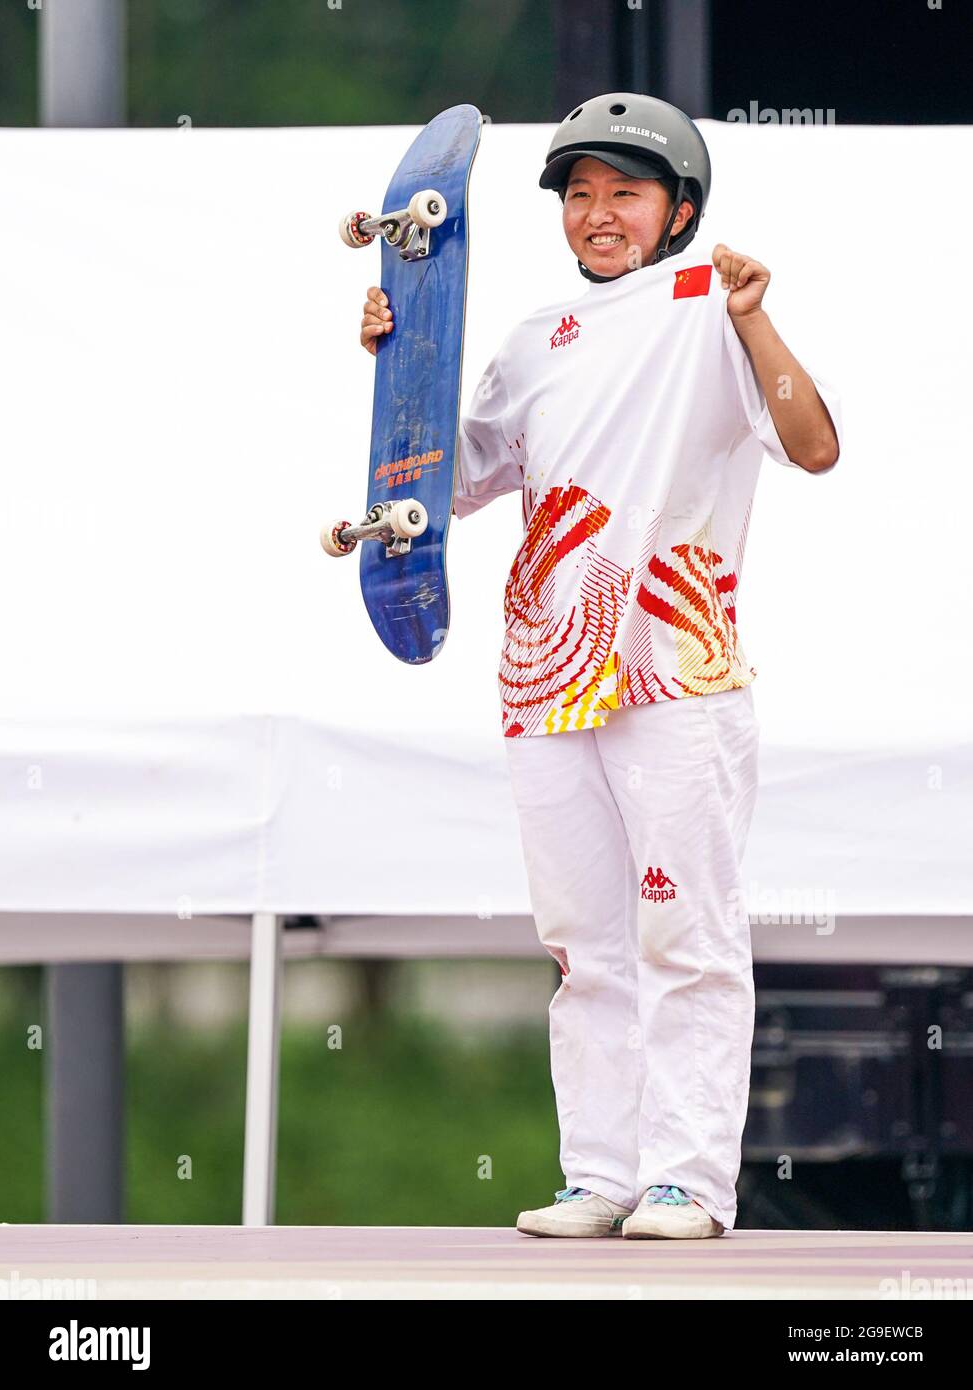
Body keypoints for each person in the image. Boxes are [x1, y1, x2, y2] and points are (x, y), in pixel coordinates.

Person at [359, 91, 842, 1239]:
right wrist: (396, 365)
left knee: (688, 935)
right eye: (578, 194)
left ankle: (685, 1181)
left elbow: (814, 445)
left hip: (675, 667)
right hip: (542, 678)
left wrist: (754, 320)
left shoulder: (707, 307)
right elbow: (440, 485)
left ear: (678, 208)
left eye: (623, 191)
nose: (597, 214)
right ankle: (602, 1174)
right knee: (583, 948)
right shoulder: (533, 341)